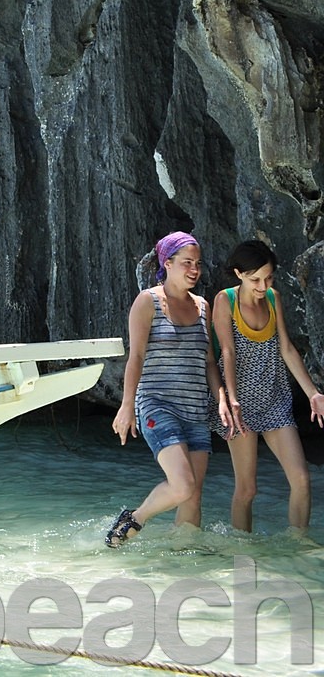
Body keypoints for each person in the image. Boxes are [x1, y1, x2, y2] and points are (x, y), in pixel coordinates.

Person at [105, 231, 233, 546]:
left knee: (193, 495)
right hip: (157, 405)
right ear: (168, 263)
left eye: (198, 264)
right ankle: (134, 518)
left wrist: (221, 399)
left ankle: (181, 560)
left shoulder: (203, 306)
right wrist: (126, 405)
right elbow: (134, 357)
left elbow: (208, 363)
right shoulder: (147, 301)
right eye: (187, 263)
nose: (194, 270)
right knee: (182, 486)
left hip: (195, 410)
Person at [212, 239, 324, 533]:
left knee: (301, 480)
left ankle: (296, 548)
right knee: (247, 490)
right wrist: (232, 400)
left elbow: (286, 348)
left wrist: (313, 393)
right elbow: (227, 352)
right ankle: (242, 557)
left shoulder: (273, 298)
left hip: (275, 400)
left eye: (268, 278)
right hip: (240, 406)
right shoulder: (225, 300)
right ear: (239, 274)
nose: (263, 286)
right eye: (255, 280)